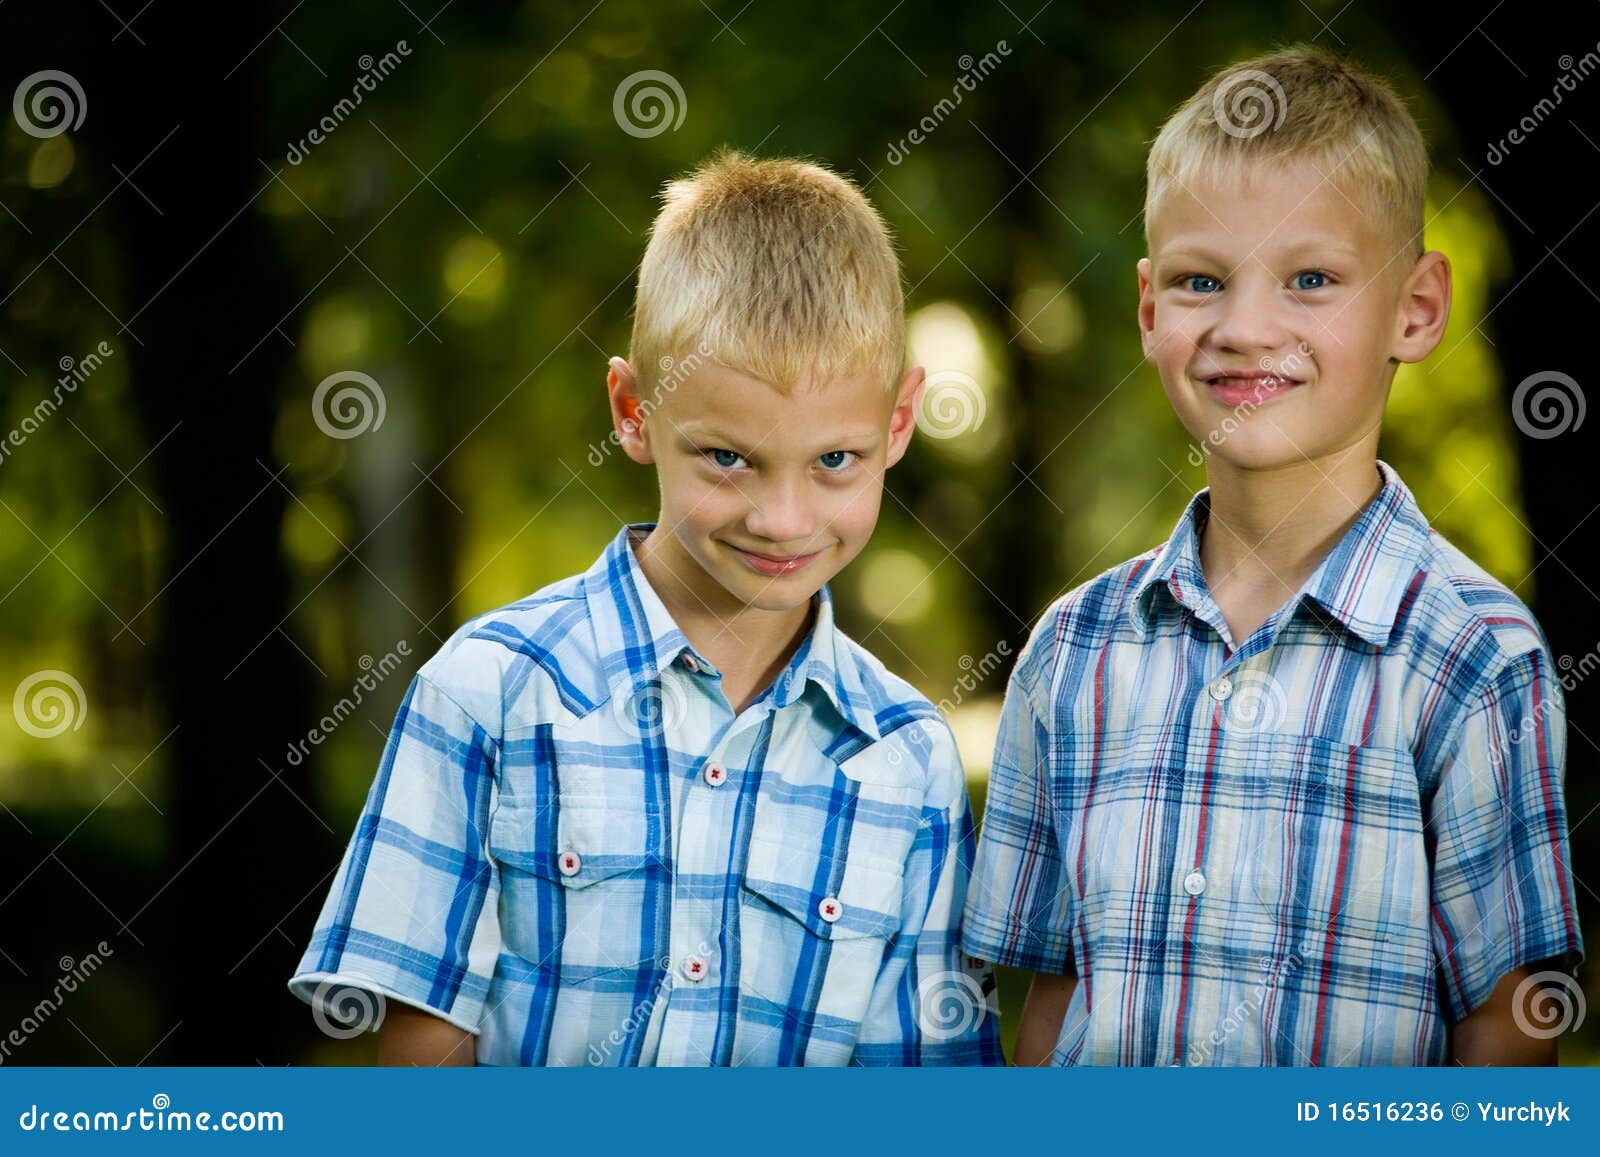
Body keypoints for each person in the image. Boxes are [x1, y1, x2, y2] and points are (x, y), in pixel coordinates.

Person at [289, 149, 1001, 1067]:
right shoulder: (487, 695)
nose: (781, 518)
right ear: (632, 410)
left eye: (835, 461)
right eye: (727, 458)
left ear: (899, 423)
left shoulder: (908, 761)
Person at [963, 46, 1583, 1066]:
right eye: (1201, 280)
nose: (1246, 328)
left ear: (1415, 308)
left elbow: (1510, 1017)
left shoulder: (1474, 659)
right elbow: (1052, 992)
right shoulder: (1070, 651)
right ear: (1149, 306)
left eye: (1310, 279)